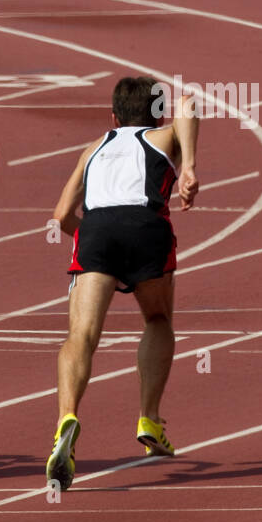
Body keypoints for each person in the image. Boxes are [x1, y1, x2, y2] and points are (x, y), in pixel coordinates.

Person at [45, 77, 199, 492]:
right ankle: (149, 417)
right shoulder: (164, 137)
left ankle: (66, 417)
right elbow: (188, 103)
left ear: (113, 117)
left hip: (96, 229)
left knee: (81, 335)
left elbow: (61, 216)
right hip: (147, 226)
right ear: (158, 114)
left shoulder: (93, 148)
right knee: (158, 320)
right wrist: (188, 166)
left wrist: (92, 240)